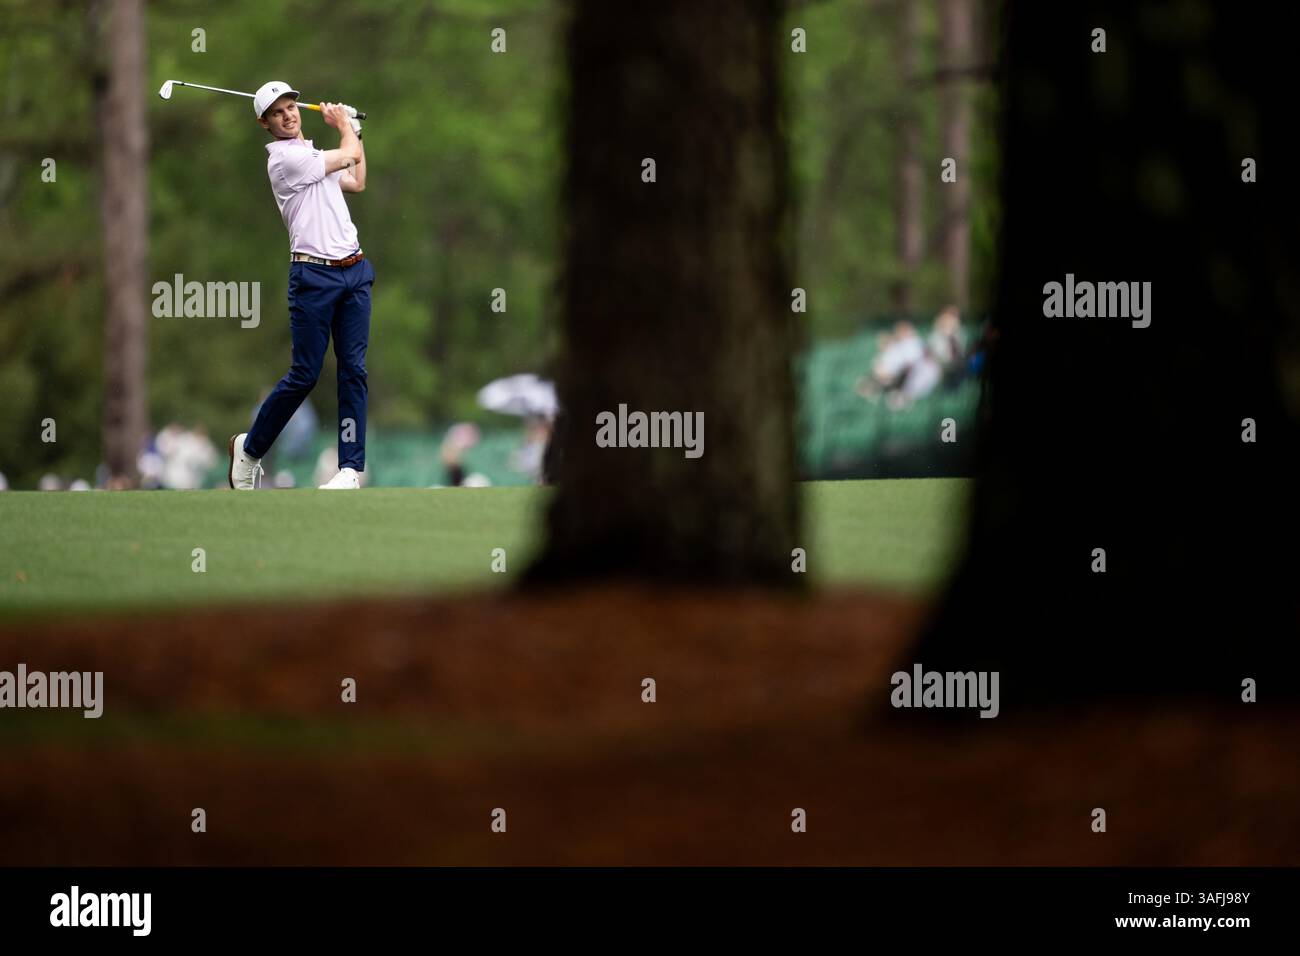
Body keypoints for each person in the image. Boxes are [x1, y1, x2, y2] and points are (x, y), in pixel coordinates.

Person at [227, 81, 374, 491]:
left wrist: (354, 130)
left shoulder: (313, 156)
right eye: (277, 112)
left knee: (354, 371)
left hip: (354, 271)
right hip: (313, 277)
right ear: (265, 124)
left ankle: (349, 470)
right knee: (305, 374)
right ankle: (251, 449)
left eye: (291, 106)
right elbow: (349, 155)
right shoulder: (284, 162)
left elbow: (357, 178)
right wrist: (345, 125)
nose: (288, 114)